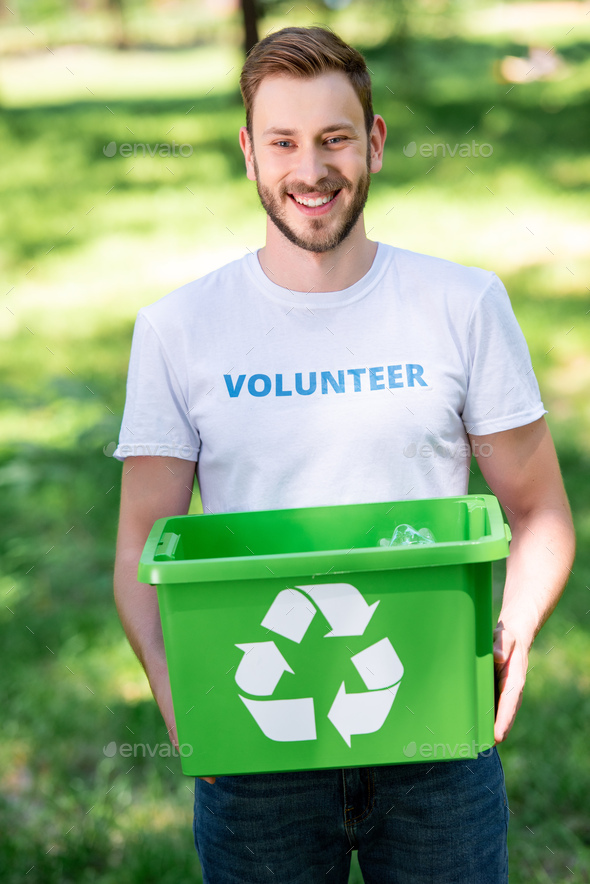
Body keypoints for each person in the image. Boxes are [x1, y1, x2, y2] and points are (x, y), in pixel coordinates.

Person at [113, 25, 575, 884]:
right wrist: (176, 695)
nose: (311, 171)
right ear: (248, 153)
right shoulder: (179, 330)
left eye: (334, 139)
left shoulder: (462, 304)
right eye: (283, 142)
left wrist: (511, 632)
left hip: (436, 732)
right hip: (258, 736)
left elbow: (540, 509)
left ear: (375, 143)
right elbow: (144, 540)